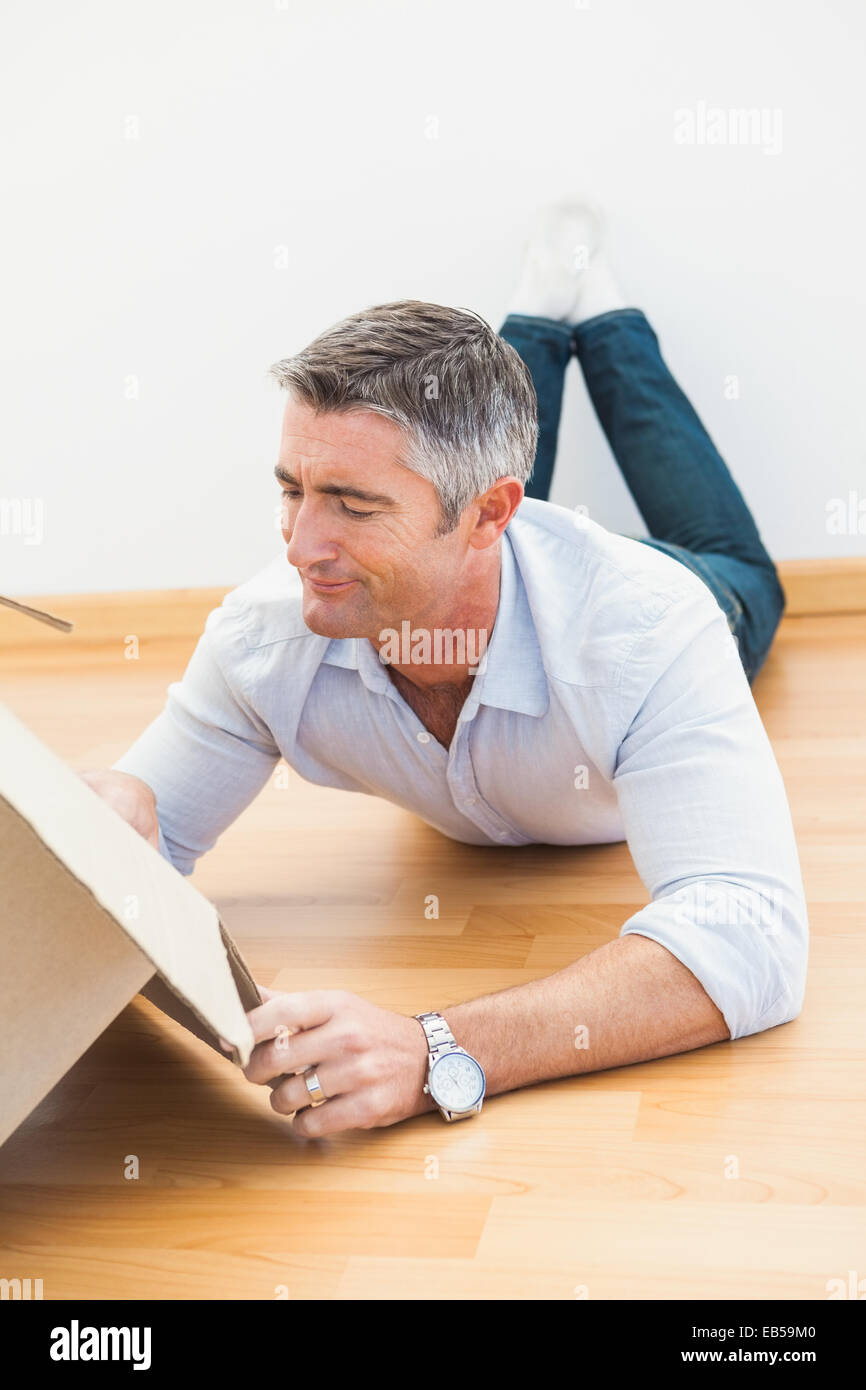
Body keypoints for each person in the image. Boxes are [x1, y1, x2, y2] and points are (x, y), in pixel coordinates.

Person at [84, 202, 809, 1138]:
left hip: (703, 590)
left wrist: (437, 1050)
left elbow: (751, 937)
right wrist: (93, 837)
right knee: (445, 491)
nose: (302, 545)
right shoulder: (266, 638)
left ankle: (593, 313)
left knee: (735, 559)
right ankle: (534, 316)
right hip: (481, 560)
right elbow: (142, 838)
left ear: (492, 517)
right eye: (292, 490)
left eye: (350, 503)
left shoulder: (653, 632)